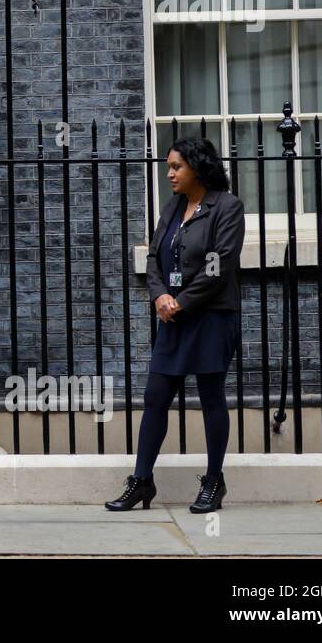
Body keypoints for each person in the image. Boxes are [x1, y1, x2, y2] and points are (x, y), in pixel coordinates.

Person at [106, 137, 245, 514]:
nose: (169, 174)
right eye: (168, 166)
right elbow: (153, 258)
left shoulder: (227, 207)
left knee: (211, 397)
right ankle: (142, 481)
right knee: (155, 397)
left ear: (197, 168)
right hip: (173, 316)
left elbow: (219, 266)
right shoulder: (172, 206)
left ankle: (214, 482)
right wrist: (159, 296)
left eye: (176, 167)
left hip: (212, 316)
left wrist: (180, 302)